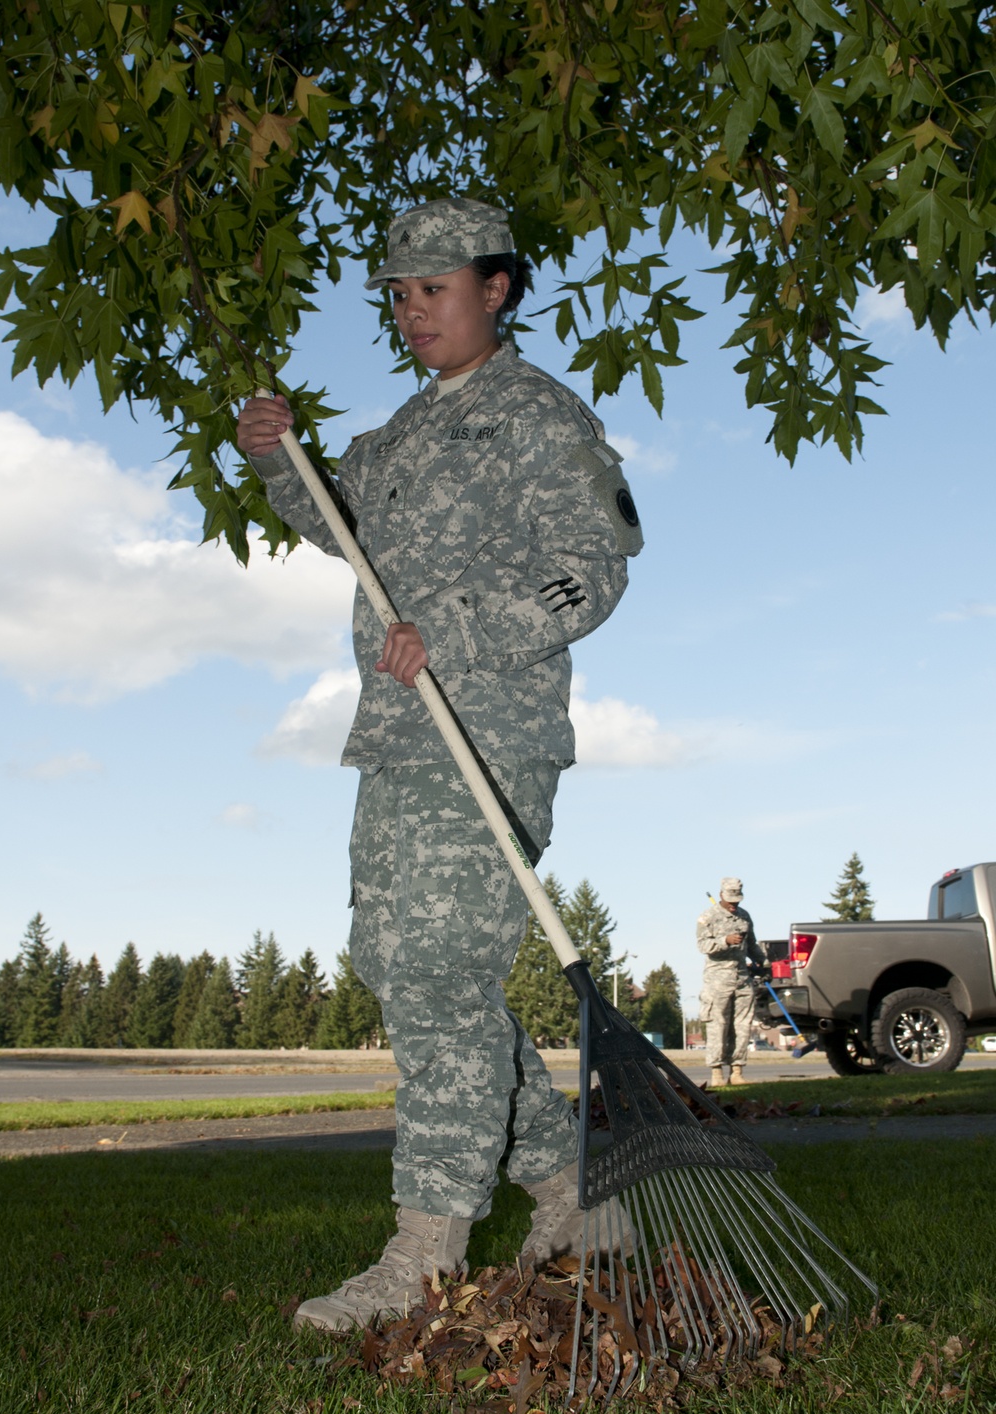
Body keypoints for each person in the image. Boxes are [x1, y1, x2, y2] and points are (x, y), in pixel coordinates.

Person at [236, 197, 642, 1332]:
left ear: (496, 288)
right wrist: (279, 459)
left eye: (434, 288)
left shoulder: (541, 418)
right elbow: (335, 518)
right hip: (401, 731)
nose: (413, 311)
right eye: (399, 295)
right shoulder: (409, 429)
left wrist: (457, 626)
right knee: (404, 961)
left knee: (434, 966)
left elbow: (590, 575)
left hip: (490, 731)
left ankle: (425, 1248)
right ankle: (570, 1195)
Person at [695, 878, 765, 1089]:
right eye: (730, 899)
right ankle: (717, 1072)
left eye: (737, 899)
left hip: (742, 978)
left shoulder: (744, 916)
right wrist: (724, 941)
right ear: (722, 894)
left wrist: (762, 961)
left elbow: (751, 944)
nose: (733, 904)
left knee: (742, 1026)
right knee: (718, 1025)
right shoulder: (708, 917)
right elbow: (702, 945)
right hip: (718, 979)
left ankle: (737, 1070)